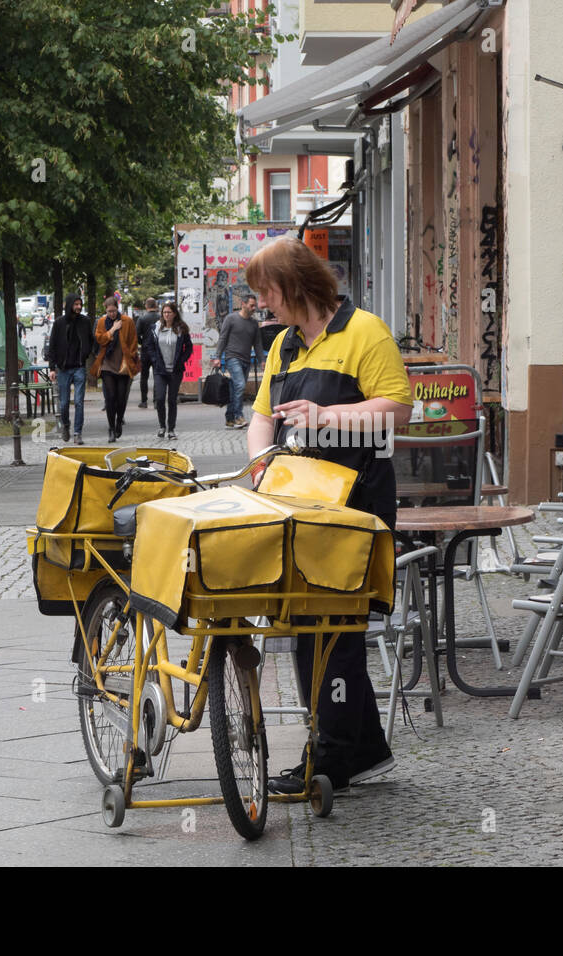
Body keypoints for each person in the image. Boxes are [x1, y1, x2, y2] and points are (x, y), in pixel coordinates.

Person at [245, 238, 413, 795]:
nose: (264, 304)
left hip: (354, 510)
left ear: (294, 285)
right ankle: (362, 750)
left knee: (333, 631)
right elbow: (263, 416)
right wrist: (257, 461)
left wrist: (328, 415)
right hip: (299, 506)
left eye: (267, 292)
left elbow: (397, 413)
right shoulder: (285, 347)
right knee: (310, 629)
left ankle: (330, 760)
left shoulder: (365, 331)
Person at [140, 301, 192, 441]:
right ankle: (162, 426)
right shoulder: (155, 328)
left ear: (174, 314)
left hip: (175, 370)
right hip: (160, 369)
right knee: (160, 398)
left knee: (172, 399)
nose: (166, 315)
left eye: (169, 312)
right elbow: (149, 345)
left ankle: (171, 429)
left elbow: (188, 348)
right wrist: (155, 360)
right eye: (164, 312)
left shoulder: (181, 329)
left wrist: (181, 360)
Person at [46, 294, 94, 444]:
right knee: (64, 402)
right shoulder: (60, 323)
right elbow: (52, 344)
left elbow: (91, 341)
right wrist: (52, 367)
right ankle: (66, 425)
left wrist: (86, 353)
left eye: (80, 304)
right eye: (76, 304)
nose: (78, 307)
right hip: (64, 368)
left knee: (79, 401)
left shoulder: (85, 321)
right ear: (70, 305)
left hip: (79, 366)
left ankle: (77, 432)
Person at [90, 295, 139, 442]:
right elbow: (99, 339)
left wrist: (130, 355)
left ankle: (119, 421)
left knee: (121, 398)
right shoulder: (101, 322)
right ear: (106, 310)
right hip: (107, 363)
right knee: (110, 398)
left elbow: (133, 341)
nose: (112, 313)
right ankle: (111, 427)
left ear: (117, 308)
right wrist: (112, 330)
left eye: (114, 310)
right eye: (109, 311)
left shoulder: (127, 321)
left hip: (123, 363)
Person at [213, 294, 259, 430]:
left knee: (235, 388)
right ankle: (239, 416)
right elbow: (223, 338)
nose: (254, 308)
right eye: (252, 305)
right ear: (243, 304)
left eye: (255, 305)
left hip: (246, 359)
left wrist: (262, 361)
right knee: (240, 384)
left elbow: (257, 343)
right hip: (232, 357)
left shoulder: (254, 323)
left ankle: (229, 418)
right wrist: (217, 356)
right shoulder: (231, 319)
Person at [135, 297, 160, 409]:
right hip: (158, 350)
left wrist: (142, 342)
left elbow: (136, 335)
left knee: (144, 377)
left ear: (146, 306)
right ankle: (156, 400)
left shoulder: (142, 319)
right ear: (155, 305)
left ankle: (144, 401)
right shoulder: (160, 318)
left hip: (145, 350)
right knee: (157, 376)